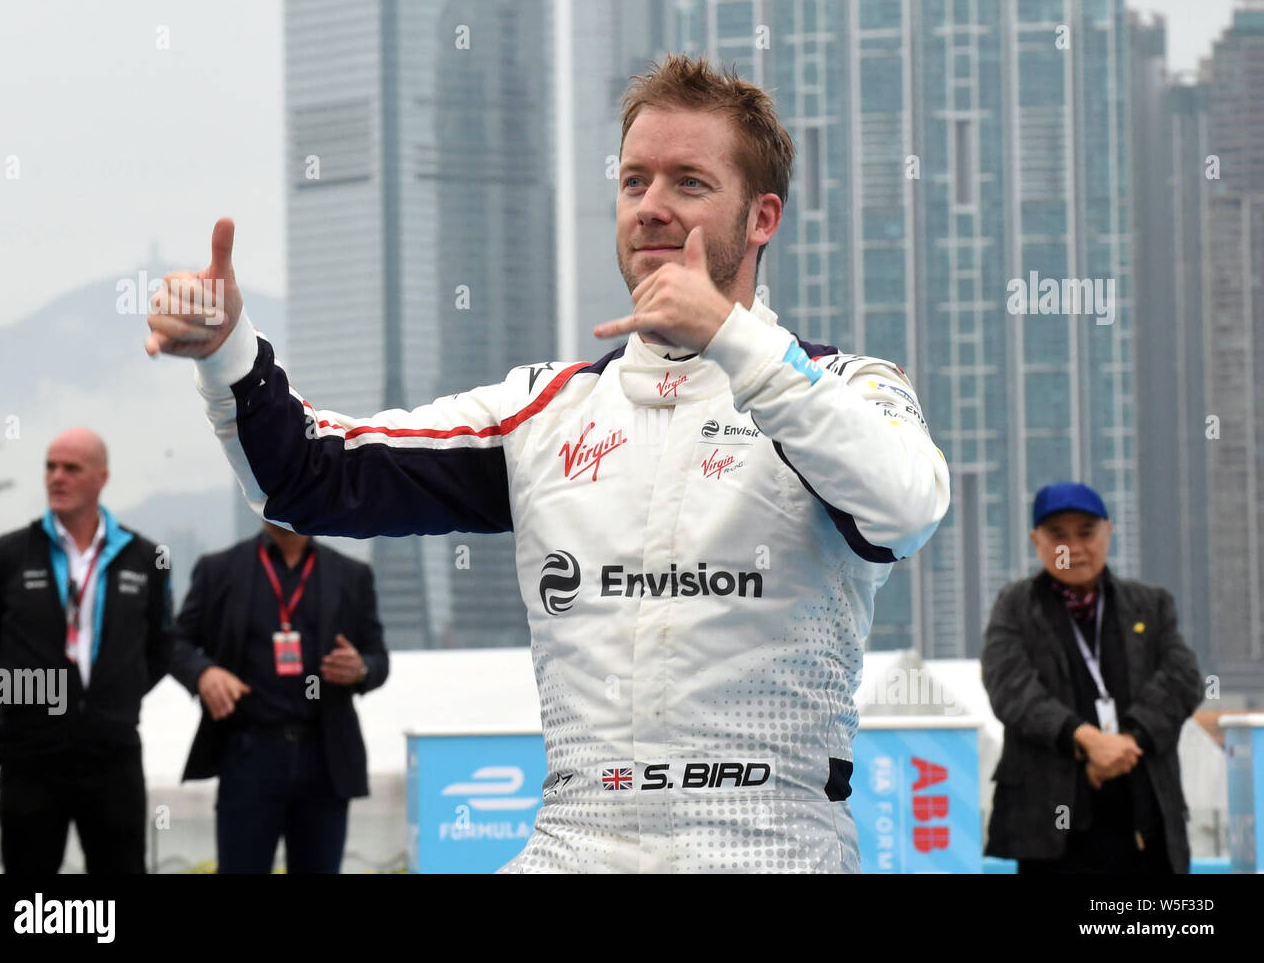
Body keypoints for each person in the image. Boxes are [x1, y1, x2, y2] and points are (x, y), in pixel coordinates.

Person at [145, 55, 951, 873]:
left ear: (762, 215)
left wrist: (733, 338)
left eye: (690, 184)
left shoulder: (844, 386)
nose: (652, 208)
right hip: (575, 845)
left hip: (774, 849)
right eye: (634, 181)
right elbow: (308, 481)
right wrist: (230, 357)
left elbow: (906, 507)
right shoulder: (545, 412)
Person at [0, 428, 174, 873]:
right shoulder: (5, 555)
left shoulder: (146, 558)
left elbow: (159, 649)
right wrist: (21, 704)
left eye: (71, 468)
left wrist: (115, 696)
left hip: (112, 756)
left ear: (101, 477)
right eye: (50, 466)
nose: (56, 477)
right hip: (28, 757)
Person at [982, 482, 1203, 873]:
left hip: (1145, 819)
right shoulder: (1015, 606)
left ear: (1109, 532)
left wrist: (1126, 743)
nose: (1075, 548)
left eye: (1086, 532)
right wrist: (1086, 739)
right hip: (1051, 828)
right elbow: (1009, 686)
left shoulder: (1151, 604)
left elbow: (1183, 678)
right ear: (1037, 541)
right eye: (1058, 535)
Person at [170, 522, 388, 873]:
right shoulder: (219, 569)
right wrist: (204, 674)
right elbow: (176, 643)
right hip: (249, 753)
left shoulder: (351, 575)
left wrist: (361, 669)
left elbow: (379, 658)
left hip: (325, 756)